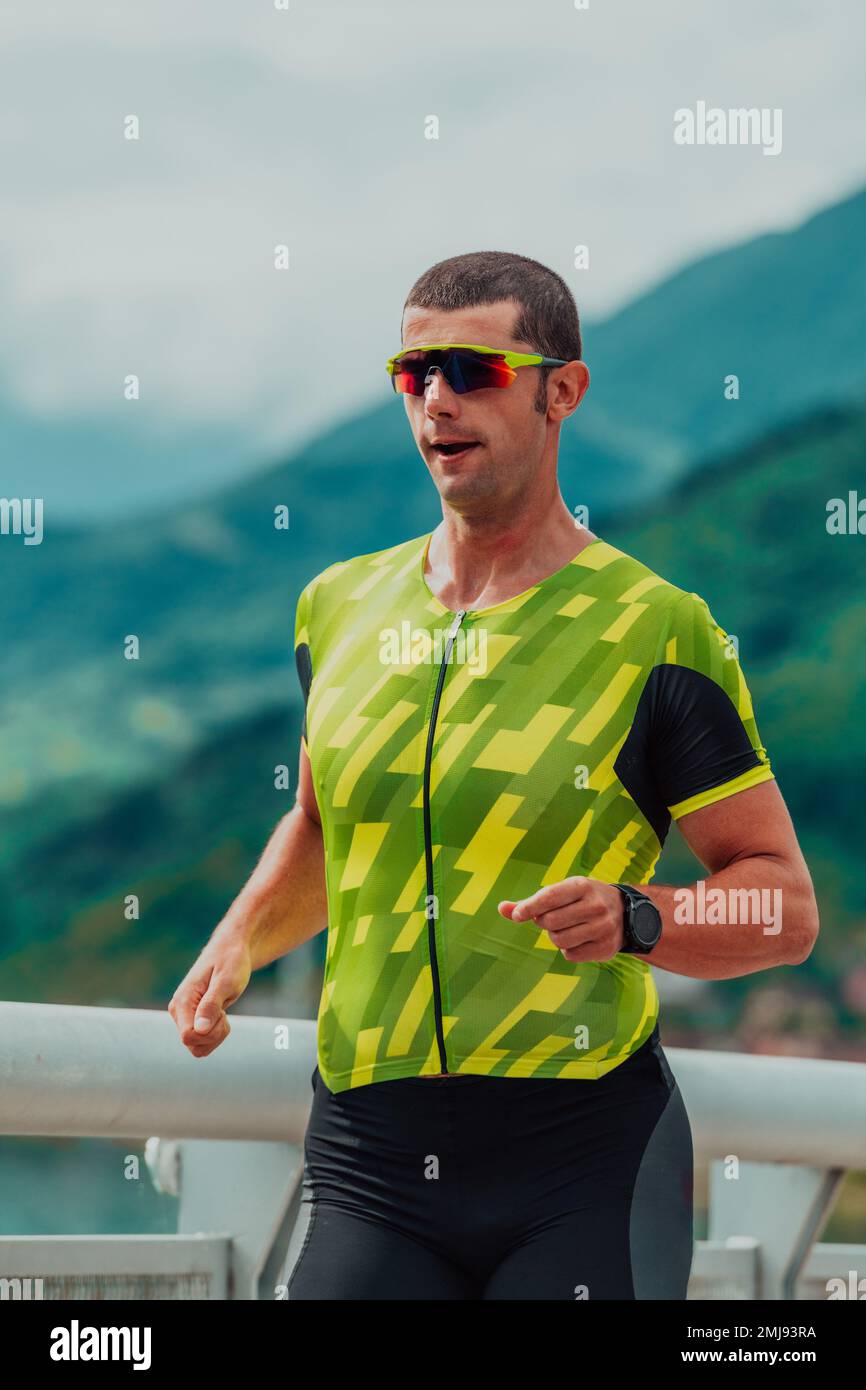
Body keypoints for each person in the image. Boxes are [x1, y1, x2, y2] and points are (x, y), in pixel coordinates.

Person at [168, 251, 819, 1300]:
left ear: (561, 390)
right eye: (412, 373)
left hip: (580, 1157)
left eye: (471, 370)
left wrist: (637, 915)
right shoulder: (336, 609)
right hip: (370, 1156)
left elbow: (781, 907)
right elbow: (326, 827)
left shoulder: (656, 629)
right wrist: (237, 941)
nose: (436, 399)